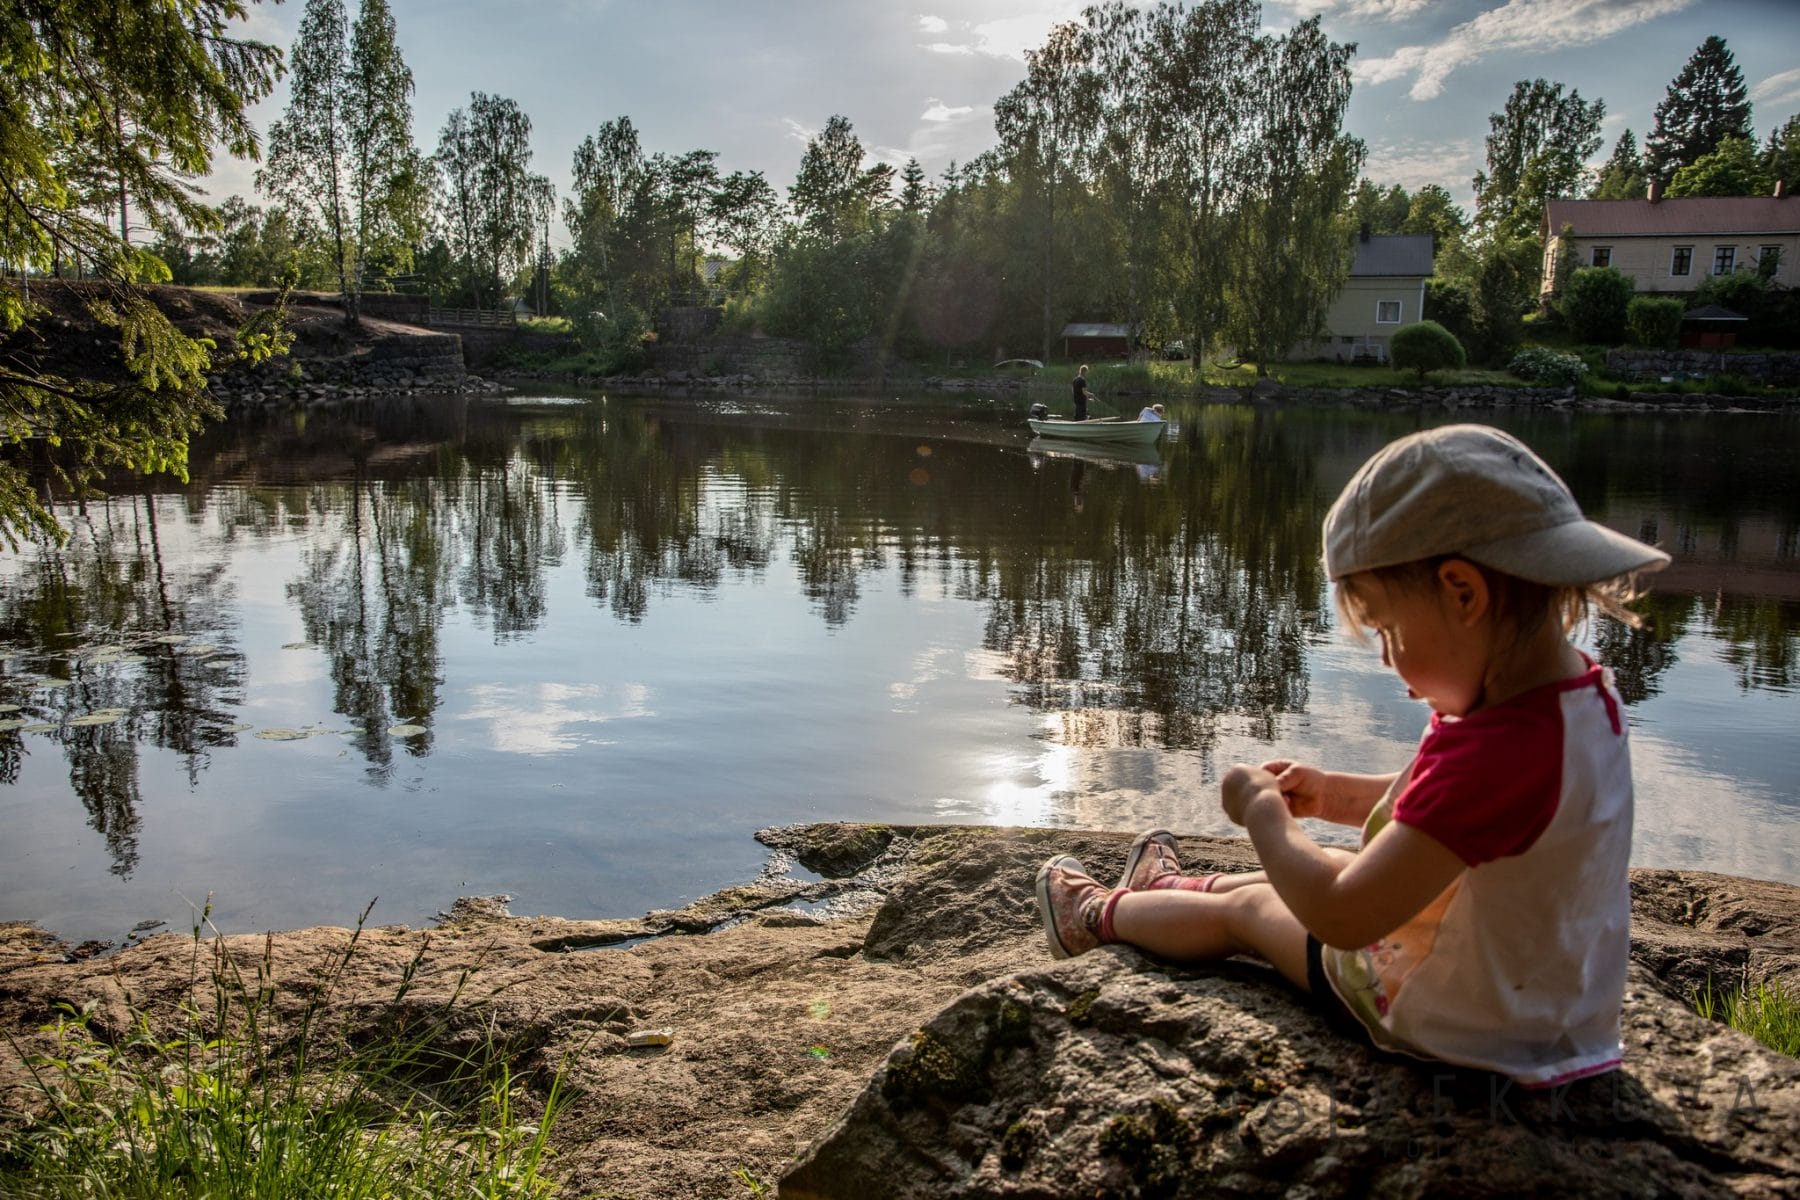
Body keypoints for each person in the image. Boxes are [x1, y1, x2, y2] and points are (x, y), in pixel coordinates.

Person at [1034, 424, 1670, 1087]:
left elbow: (1342, 915)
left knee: (1253, 912)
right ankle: (1165, 893)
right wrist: (1333, 794)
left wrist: (1262, 812)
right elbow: (1453, 809)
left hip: (1449, 1017)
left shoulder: (1500, 751)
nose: (1390, 662)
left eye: (1387, 629)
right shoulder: (1577, 699)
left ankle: (1096, 917)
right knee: (1332, 862)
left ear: (1464, 593)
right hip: (1539, 1008)